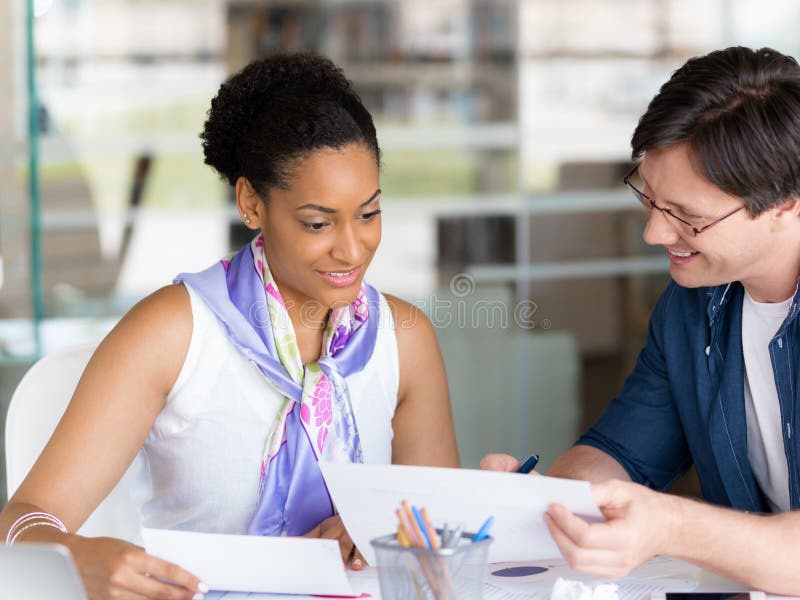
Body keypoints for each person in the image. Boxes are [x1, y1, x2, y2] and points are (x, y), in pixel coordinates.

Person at [0, 53, 459, 600]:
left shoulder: (404, 338)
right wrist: (79, 557)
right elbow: (21, 522)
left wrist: (381, 529)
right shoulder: (172, 332)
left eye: (368, 214)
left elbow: (434, 530)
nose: (352, 248)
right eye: (317, 222)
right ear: (251, 203)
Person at [483, 46, 800, 595]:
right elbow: (621, 452)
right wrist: (551, 502)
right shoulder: (691, 306)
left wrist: (670, 526)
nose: (653, 234)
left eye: (687, 216)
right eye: (649, 198)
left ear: (785, 203)